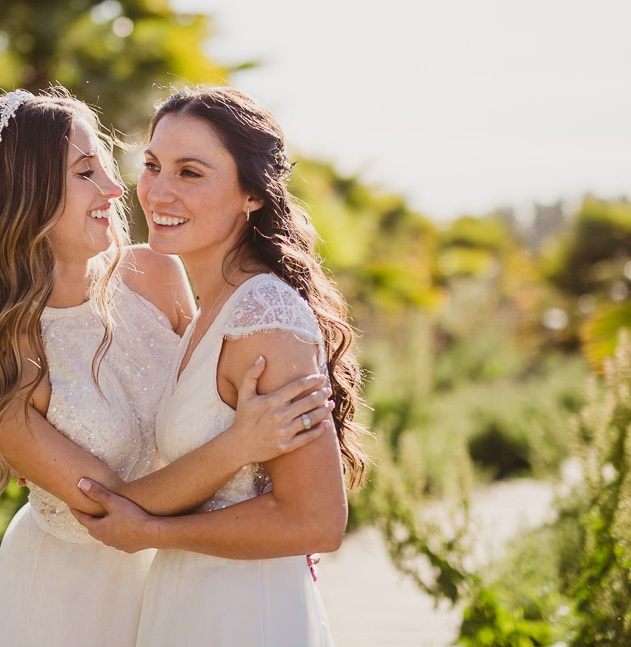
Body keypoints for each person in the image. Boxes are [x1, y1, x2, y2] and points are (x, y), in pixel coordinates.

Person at [0, 88, 336, 647]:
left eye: (106, 165)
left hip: (180, 589)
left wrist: (267, 493)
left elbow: (198, 402)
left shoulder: (156, 274)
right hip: (68, 605)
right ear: (23, 195)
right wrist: (240, 447)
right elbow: (111, 506)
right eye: (85, 171)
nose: (117, 188)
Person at [72, 86, 370, 647]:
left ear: (252, 195)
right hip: (187, 604)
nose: (158, 192)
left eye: (190, 173)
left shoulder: (266, 319)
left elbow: (317, 522)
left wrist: (157, 532)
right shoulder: (214, 308)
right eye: (154, 165)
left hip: (241, 616)